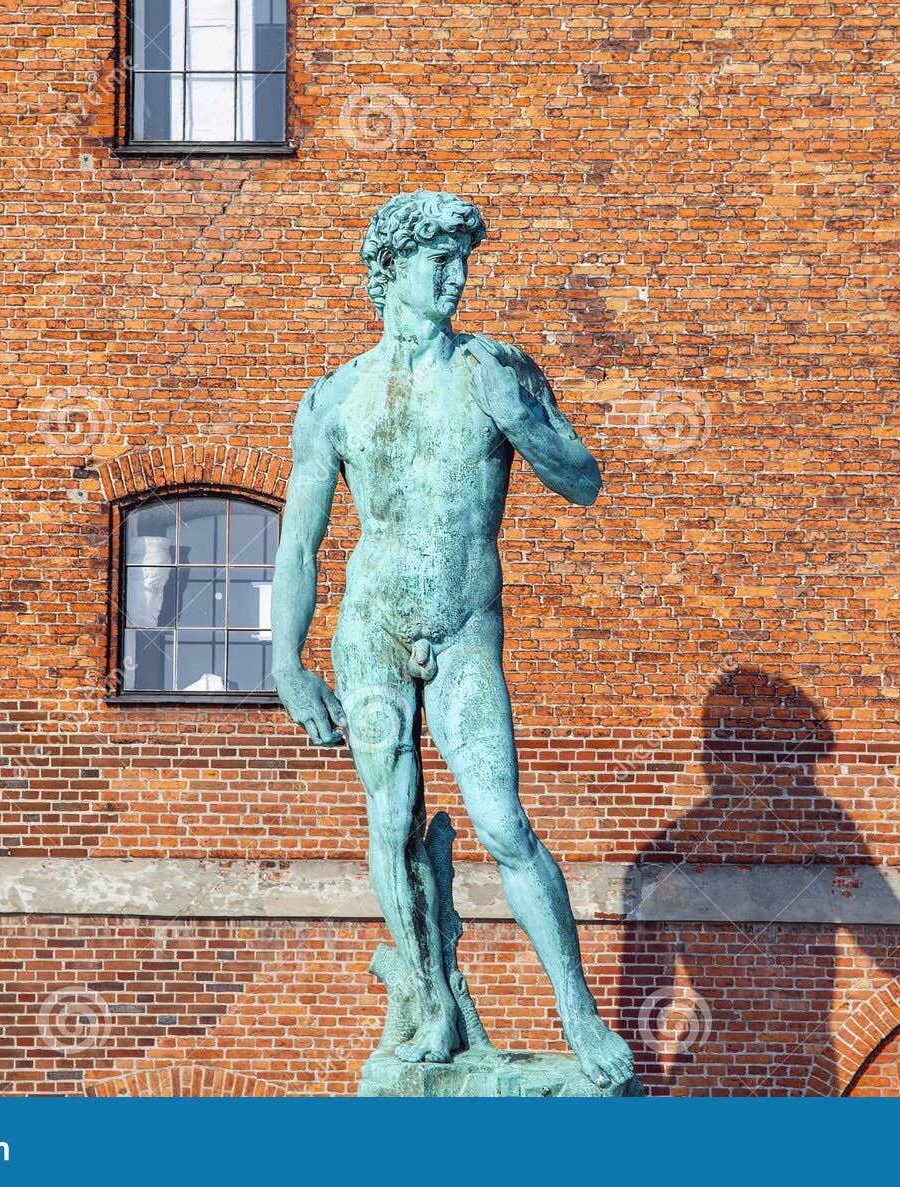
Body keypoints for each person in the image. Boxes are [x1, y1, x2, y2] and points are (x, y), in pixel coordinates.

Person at [272, 191, 634, 1088]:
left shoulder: (496, 368)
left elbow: (584, 483)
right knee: (392, 826)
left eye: (464, 260)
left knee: (504, 823)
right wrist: (286, 663)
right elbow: (299, 539)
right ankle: (433, 1006)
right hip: (371, 634)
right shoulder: (336, 396)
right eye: (440, 261)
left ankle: (579, 1015)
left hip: (465, 631)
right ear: (390, 271)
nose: (458, 277)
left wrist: (525, 420)